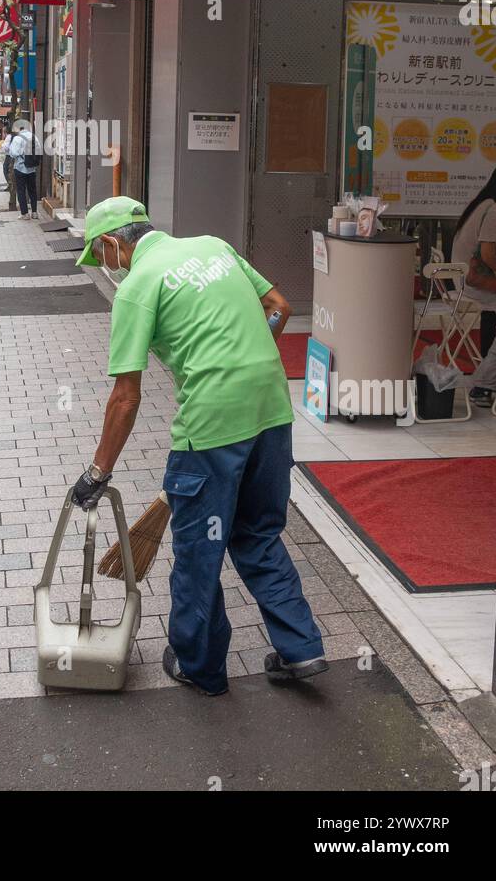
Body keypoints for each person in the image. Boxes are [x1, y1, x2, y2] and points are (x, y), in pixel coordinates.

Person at [71, 197, 326, 697]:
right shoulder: (214, 246)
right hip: (271, 410)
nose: (105, 266)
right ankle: (301, 649)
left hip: (211, 430)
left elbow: (125, 396)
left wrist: (97, 472)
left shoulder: (138, 287)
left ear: (110, 244)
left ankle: (200, 666)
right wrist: (247, 356)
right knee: (258, 534)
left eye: (99, 257)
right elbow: (279, 309)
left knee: (198, 552)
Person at [451, 167, 496, 407]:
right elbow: (489, 255)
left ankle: (486, 380)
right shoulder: (494, 210)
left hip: (459, 279)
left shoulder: (481, 203)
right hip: (472, 282)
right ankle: (485, 383)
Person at [10, 120, 41, 220]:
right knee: (32, 190)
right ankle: (35, 212)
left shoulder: (17, 138)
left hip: (20, 168)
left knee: (21, 190)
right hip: (32, 168)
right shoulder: (34, 137)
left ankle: (25, 214)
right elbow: (39, 150)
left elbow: (13, 153)